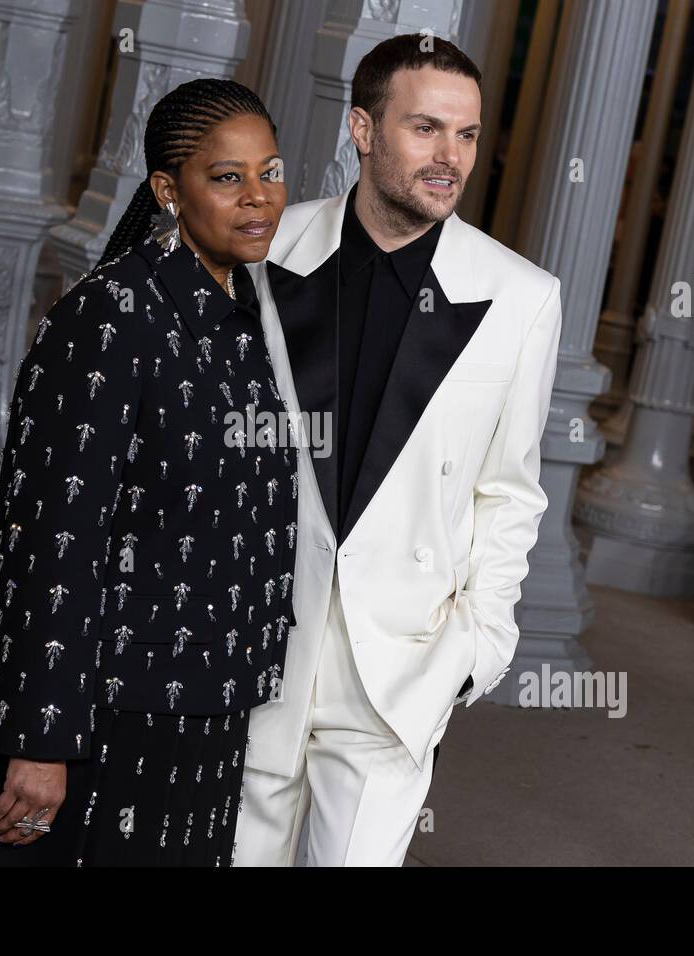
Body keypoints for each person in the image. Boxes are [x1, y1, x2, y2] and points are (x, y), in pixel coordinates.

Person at [0, 78, 293, 867]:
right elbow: (50, 540)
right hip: (99, 715)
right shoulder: (110, 318)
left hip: (205, 713)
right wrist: (39, 743)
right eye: (227, 177)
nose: (259, 198)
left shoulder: (245, 317)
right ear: (169, 189)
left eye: (270, 172)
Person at [234, 34, 562, 866]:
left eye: (468, 135)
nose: (450, 157)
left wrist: (478, 649)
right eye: (425, 129)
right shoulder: (265, 250)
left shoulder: (521, 297)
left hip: (401, 664)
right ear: (363, 129)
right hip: (256, 640)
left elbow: (510, 489)